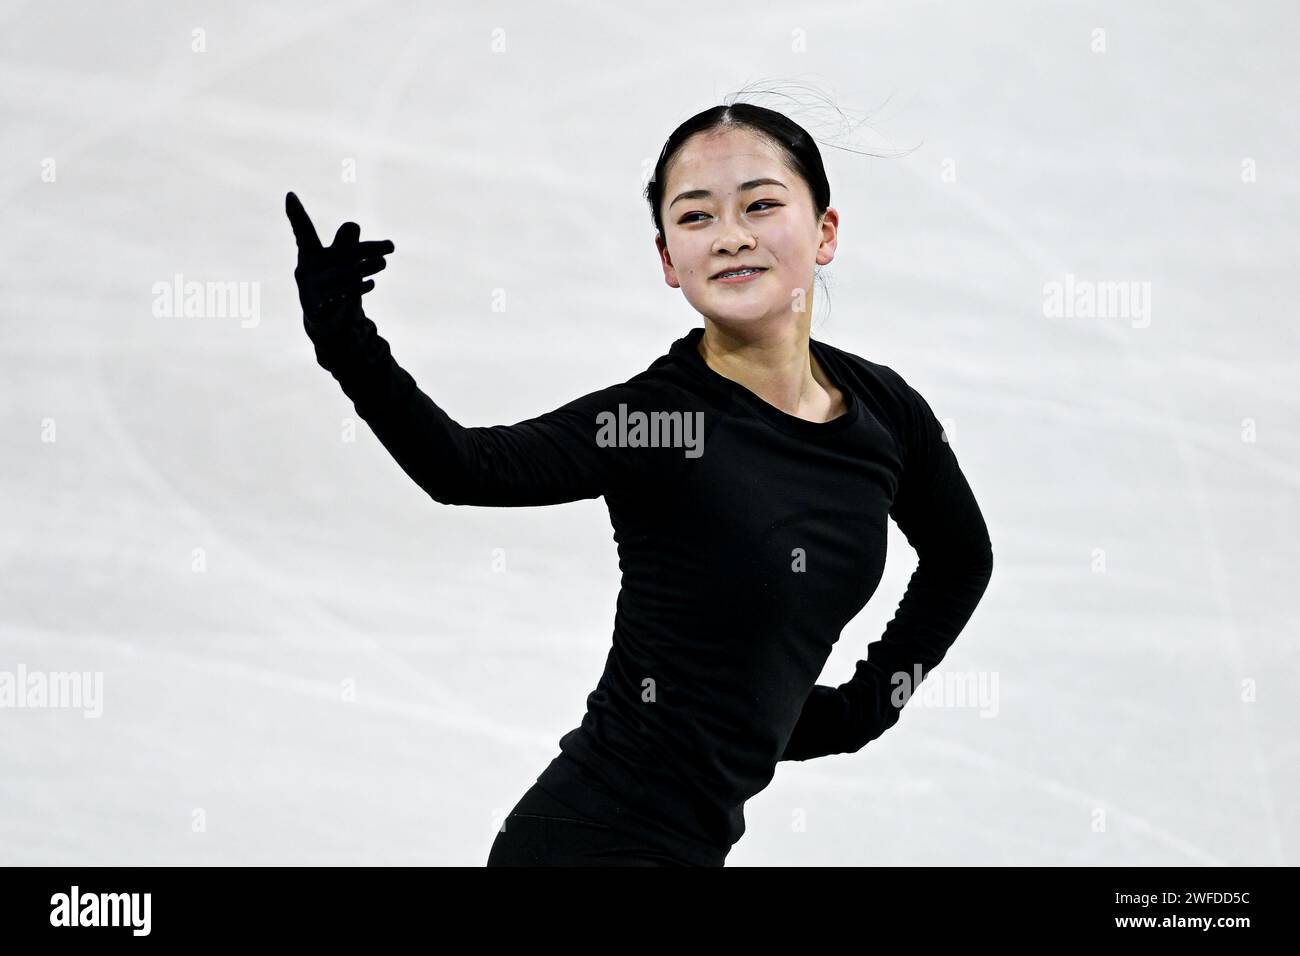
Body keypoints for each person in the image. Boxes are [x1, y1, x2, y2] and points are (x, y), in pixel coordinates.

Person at [285, 101, 994, 867]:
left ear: (824, 231)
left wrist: (869, 706)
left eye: (760, 204)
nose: (731, 236)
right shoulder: (661, 423)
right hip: (590, 844)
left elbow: (962, 557)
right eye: (696, 218)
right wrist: (342, 335)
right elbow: (463, 467)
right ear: (667, 260)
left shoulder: (885, 410)